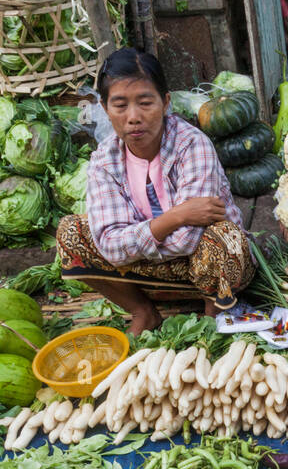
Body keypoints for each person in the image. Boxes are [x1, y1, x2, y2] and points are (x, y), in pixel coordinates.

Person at [56, 48, 255, 335]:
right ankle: (143, 311)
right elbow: (109, 244)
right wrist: (176, 216)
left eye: (145, 102)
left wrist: (134, 240)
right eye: (120, 105)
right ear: (104, 108)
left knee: (223, 238)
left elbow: (188, 241)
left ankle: (212, 317)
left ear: (165, 103)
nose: (134, 117)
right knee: (69, 233)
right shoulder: (105, 159)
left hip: (206, 264)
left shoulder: (192, 145)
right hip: (150, 265)